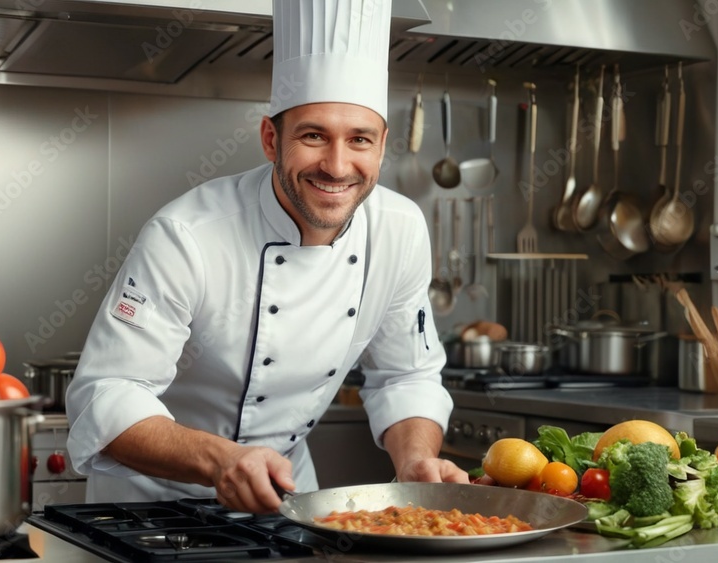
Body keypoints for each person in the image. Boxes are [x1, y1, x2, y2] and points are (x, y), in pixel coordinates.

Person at [65, 0, 469, 514]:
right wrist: (221, 461)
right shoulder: (187, 235)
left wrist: (415, 463)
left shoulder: (400, 229)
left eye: (359, 140)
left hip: (285, 497)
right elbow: (106, 393)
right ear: (271, 139)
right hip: (150, 505)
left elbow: (405, 375)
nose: (337, 166)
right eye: (314, 136)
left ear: (382, 145)